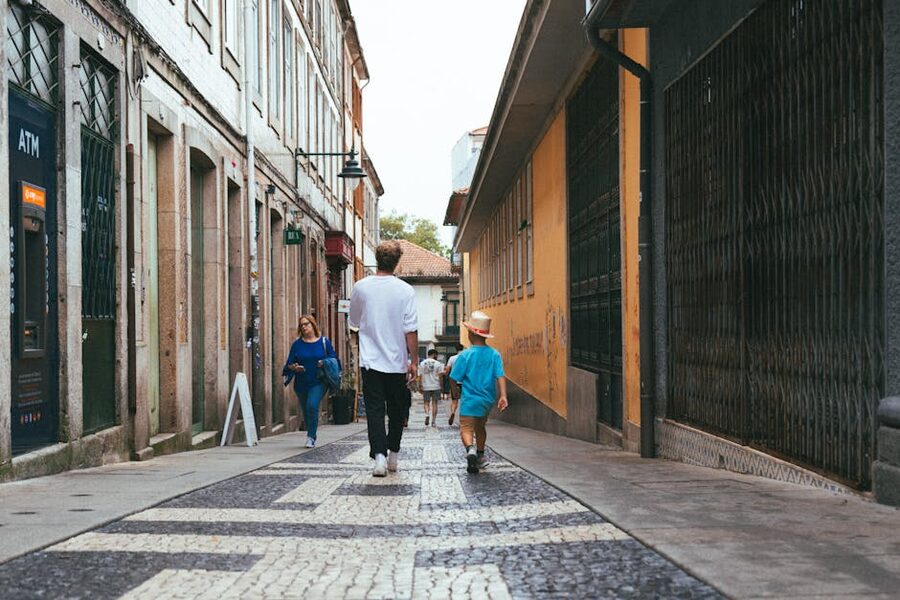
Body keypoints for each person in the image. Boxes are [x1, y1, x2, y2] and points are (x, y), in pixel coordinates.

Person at [348, 240, 418, 477]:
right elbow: (411, 330)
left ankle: (379, 457)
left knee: (375, 411)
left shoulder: (361, 287)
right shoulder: (406, 290)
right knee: (397, 410)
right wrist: (414, 361)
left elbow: (354, 321)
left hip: (370, 362)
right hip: (397, 362)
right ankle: (393, 456)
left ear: (377, 260)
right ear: (397, 262)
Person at [450, 311, 508, 474]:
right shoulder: (494, 354)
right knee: (480, 427)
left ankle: (470, 450)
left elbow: (453, 377)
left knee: (466, 428)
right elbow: (500, 375)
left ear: (470, 334)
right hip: (487, 400)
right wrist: (503, 395)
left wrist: (455, 393)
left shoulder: (465, 355)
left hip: (469, 399)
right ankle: (481, 455)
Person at [282, 314, 337, 449]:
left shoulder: (324, 342)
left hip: (319, 381)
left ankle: (311, 437)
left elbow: (334, 359)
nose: (304, 327)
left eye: (306, 324)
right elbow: (289, 363)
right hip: (301, 382)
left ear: (313, 325)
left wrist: (324, 362)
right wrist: (294, 367)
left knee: (312, 405)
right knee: (306, 410)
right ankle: (311, 432)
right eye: (302, 325)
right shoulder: (297, 344)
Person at [419, 349, 444, 427]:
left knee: (426, 402)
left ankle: (427, 414)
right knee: (434, 403)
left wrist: (420, 385)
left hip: (426, 385)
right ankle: (433, 421)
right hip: (436, 386)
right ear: (434, 354)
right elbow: (440, 376)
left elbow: (420, 376)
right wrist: (441, 385)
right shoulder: (438, 363)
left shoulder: (422, 363)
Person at [444, 343, 464, 426]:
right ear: (463, 349)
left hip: (455, 382)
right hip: (465, 382)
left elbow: (447, 370)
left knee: (454, 401)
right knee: (464, 401)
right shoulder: (466, 357)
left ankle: (452, 412)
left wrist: (445, 376)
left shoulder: (452, 358)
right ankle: (462, 419)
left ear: (456, 350)